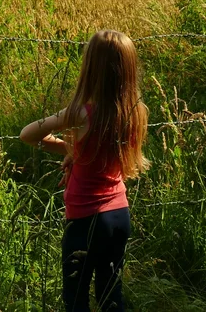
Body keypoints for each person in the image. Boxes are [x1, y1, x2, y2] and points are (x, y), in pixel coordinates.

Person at [19, 30, 149, 312]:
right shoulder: (135, 112)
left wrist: (67, 145)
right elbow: (101, 150)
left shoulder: (79, 113)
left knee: (76, 299)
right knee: (111, 295)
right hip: (119, 216)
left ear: (90, 68)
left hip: (84, 222)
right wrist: (74, 150)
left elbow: (27, 134)